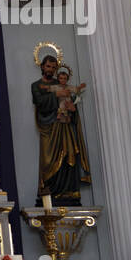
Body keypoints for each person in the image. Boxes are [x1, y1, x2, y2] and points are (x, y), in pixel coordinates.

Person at [31, 53, 91, 204]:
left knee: (68, 156)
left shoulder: (63, 84)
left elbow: (72, 103)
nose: (50, 69)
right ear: (42, 67)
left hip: (65, 127)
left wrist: (72, 109)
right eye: (48, 66)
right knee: (48, 160)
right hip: (48, 128)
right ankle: (48, 192)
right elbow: (39, 102)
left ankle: (68, 192)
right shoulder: (37, 85)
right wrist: (56, 94)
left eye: (53, 67)